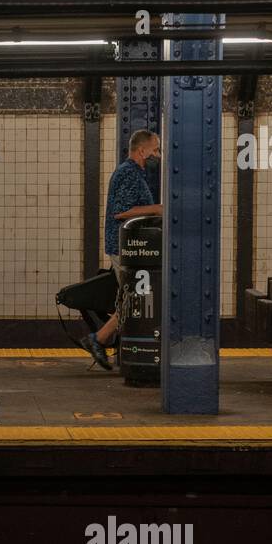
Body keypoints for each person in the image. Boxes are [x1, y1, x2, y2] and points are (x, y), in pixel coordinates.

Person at [79, 129, 163, 371]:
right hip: (124, 248)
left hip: (132, 248)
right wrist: (156, 209)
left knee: (131, 298)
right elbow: (120, 211)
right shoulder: (128, 173)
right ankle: (98, 339)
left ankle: (101, 340)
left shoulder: (135, 173)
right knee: (133, 299)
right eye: (155, 150)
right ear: (142, 150)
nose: (157, 155)